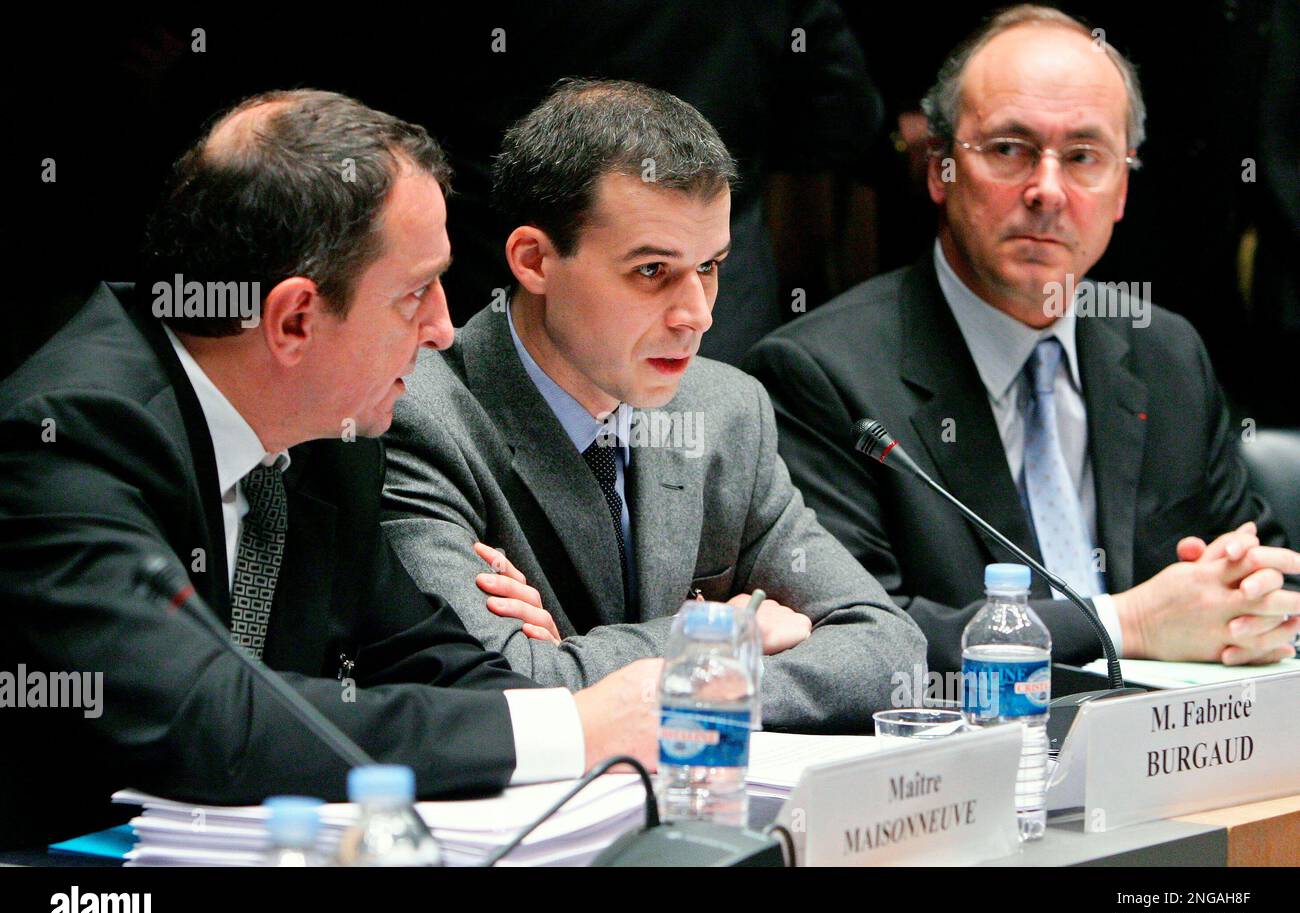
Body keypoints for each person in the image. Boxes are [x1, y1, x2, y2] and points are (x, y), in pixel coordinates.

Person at [0, 89, 658, 849]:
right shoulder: (68, 438)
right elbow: (211, 720)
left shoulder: (331, 431)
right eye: (415, 294)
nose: (443, 330)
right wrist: (564, 727)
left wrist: (586, 739)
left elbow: (411, 653)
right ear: (292, 321)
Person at [743, 6, 1300, 680]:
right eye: (1009, 149)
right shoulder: (821, 375)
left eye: (1084, 158)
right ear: (939, 170)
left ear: (1122, 188)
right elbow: (851, 633)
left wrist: (1255, 600)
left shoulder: (1165, 353)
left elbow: (1267, 572)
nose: (1047, 191)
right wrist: (1127, 623)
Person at [380, 79, 925, 732]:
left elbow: (888, 648)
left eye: (710, 267)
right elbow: (494, 690)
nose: (696, 315)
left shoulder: (726, 411)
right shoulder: (417, 417)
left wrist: (701, 684)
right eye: (651, 272)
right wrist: (720, 629)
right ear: (534, 260)